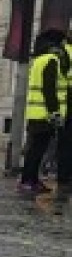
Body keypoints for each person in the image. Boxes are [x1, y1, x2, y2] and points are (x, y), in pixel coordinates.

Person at [19, 29, 68, 195]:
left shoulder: (39, 59)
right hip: (44, 113)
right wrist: (54, 112)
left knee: (35, 149)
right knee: (37, 150)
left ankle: (31, 180)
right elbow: (49, 88)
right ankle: (28, 181)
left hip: (36, 112)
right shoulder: (52, 60)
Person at [58, 33, 72, 200]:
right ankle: (65, 175)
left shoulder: (62, 51)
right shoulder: (67, 52)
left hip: (64, 100)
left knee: (65, 142)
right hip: (69, 98)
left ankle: (64, 174)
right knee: (67, 142)